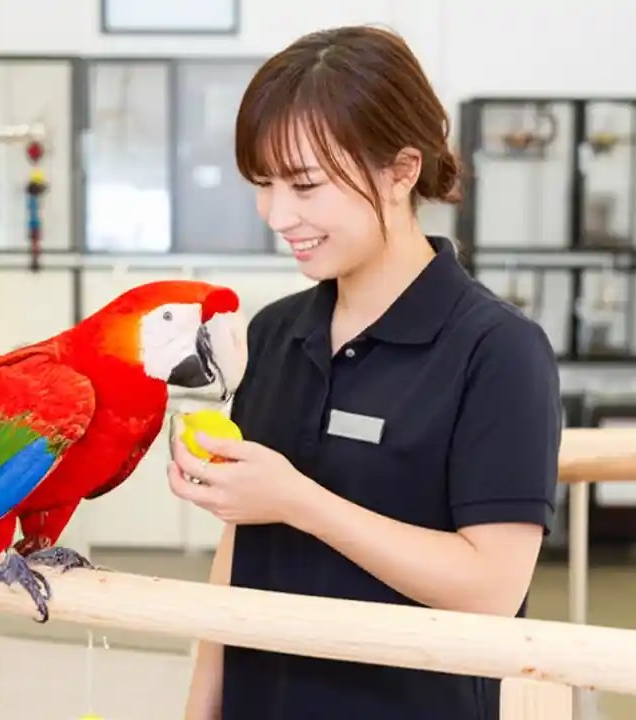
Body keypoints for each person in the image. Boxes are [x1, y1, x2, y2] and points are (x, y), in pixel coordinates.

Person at [167, 25, 563, 720]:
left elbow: (492, 588)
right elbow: (238, 550)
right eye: (263, 184)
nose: (277, 215)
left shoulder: (499, 351)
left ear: (401, 171)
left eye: (306, 185)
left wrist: (298, 500)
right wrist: (200, 711)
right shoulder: (274, 332)